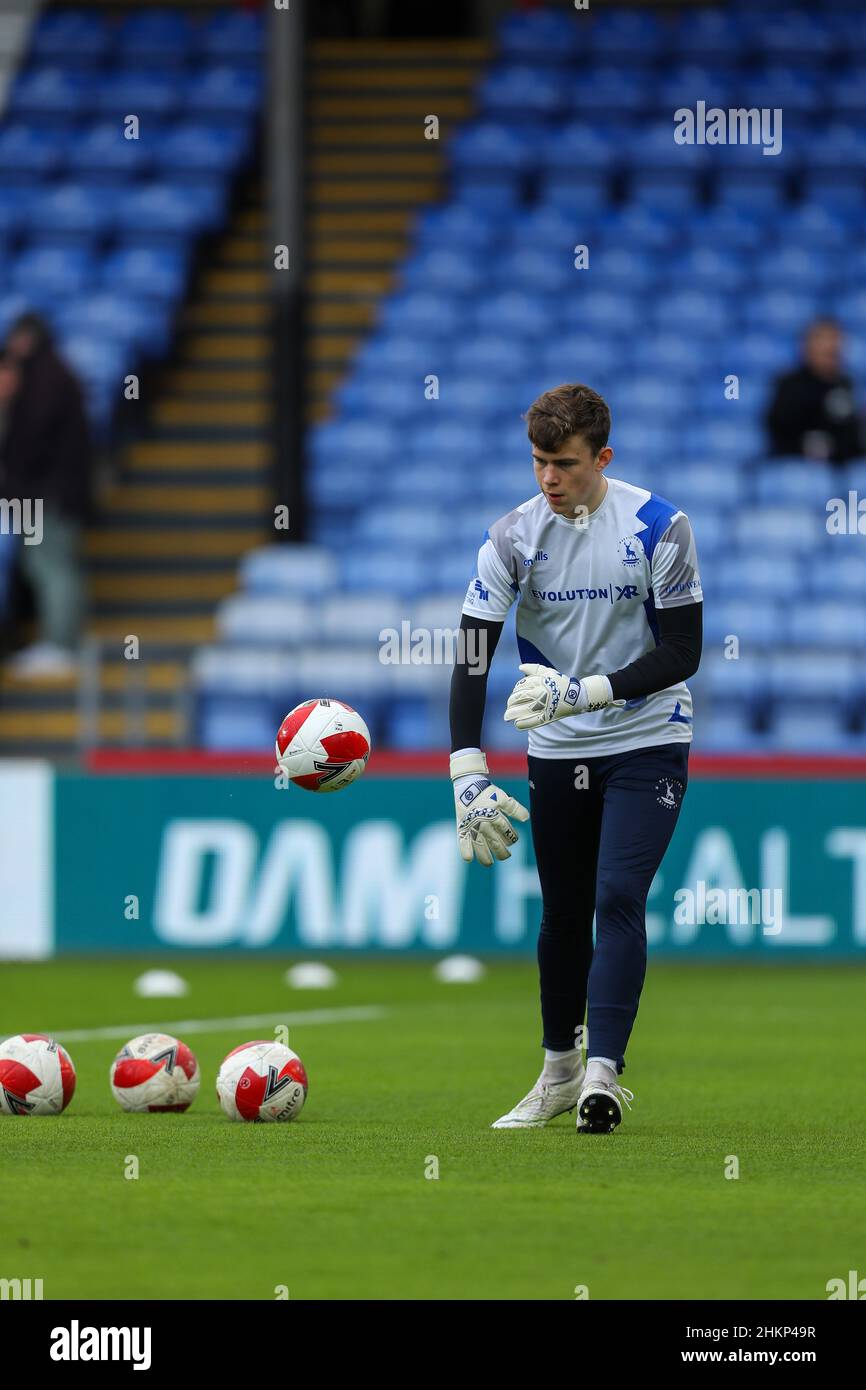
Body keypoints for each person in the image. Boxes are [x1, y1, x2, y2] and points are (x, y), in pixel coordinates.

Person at [449, 383, 702, 1134]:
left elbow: (683, 652)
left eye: (563, 463)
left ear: (603, 458)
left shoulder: (661, 527)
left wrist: (588, 691)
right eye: (537, 462)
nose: (548, 479)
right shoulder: (511, 539)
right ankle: (558, 1068)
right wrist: (467, 772)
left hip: (647, 735)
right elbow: (470, 656)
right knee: (563, 911)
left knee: (618, 893)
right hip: (557, 747)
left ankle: (603, 1073)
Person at [0, 313, 92, 676]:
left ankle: (61, 645)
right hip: (44, 495)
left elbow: (30, 447)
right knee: (46, 565)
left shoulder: (45, 381)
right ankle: (58, 643)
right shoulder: (54, 375)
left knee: (51, 565)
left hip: (46, 497)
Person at [765, 318, 864, 463]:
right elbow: (779, 429)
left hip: (840, 466)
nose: (831, 347)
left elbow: (851, 433)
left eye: (835, 340)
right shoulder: (790, 384)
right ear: (806, 346)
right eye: (823, 340)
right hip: (796, 465)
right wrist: (805, 446)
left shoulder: (845, 384)